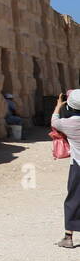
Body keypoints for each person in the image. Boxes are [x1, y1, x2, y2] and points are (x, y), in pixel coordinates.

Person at [51, 91, 80, 248]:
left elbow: (54, 120)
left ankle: (68, 237)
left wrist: (58, 106)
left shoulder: (66, 124)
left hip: (78, 166)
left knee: (73, 199)